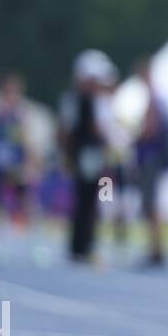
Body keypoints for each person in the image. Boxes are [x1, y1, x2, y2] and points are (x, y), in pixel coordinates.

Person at [60, 50, 112, 263]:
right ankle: (82, 245)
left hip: (87, 154)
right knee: (87, 200)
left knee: (88, 200)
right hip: (86, 154)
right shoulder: (81, 100)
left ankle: (81, 245)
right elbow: (70, 131)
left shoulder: (85, 99)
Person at [132, 56, 168, 267]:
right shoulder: (158, 98)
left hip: (149, 158)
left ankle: (157, 248)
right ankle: (156, 247)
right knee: (152, 204)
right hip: (154, 158)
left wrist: (134, 135)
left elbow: (151, 130)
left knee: (151, 205)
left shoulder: (152, 98)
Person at [0, 72, 34, 229]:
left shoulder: (20, 114)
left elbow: (26, 141)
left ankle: (22, 232)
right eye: (8, 91)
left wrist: (30, 161)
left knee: (23, 198)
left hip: (15, 163)